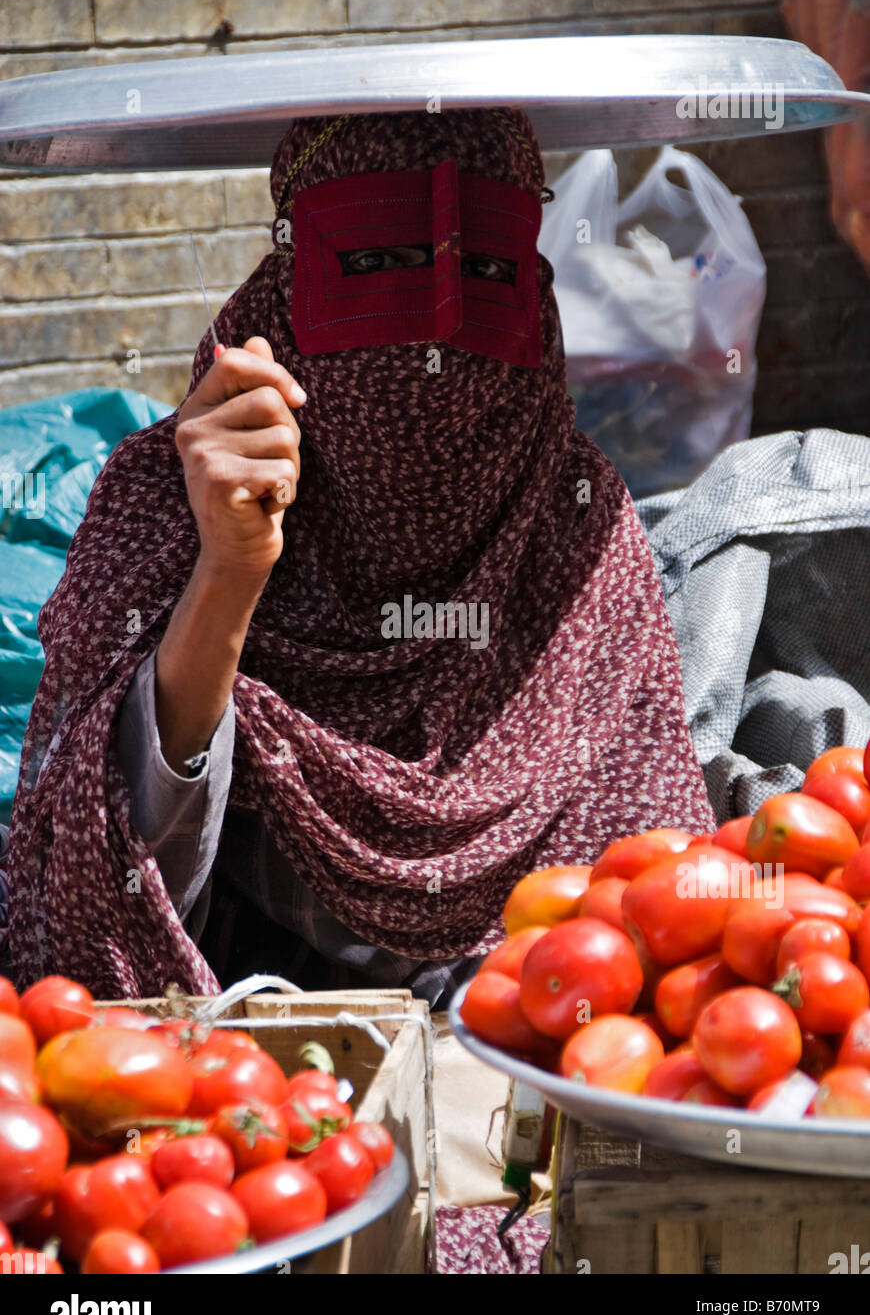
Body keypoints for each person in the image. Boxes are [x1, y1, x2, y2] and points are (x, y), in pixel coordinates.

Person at [3, 107, 716, 1002]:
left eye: (486, 271)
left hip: (518, 1030)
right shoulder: (167, 498)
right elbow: (100, 890)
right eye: (377, 265)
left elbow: (649, 905)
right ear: (288, 285)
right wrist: (227, 572)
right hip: (241, 1037)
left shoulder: (574, 514)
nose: (439, 329)